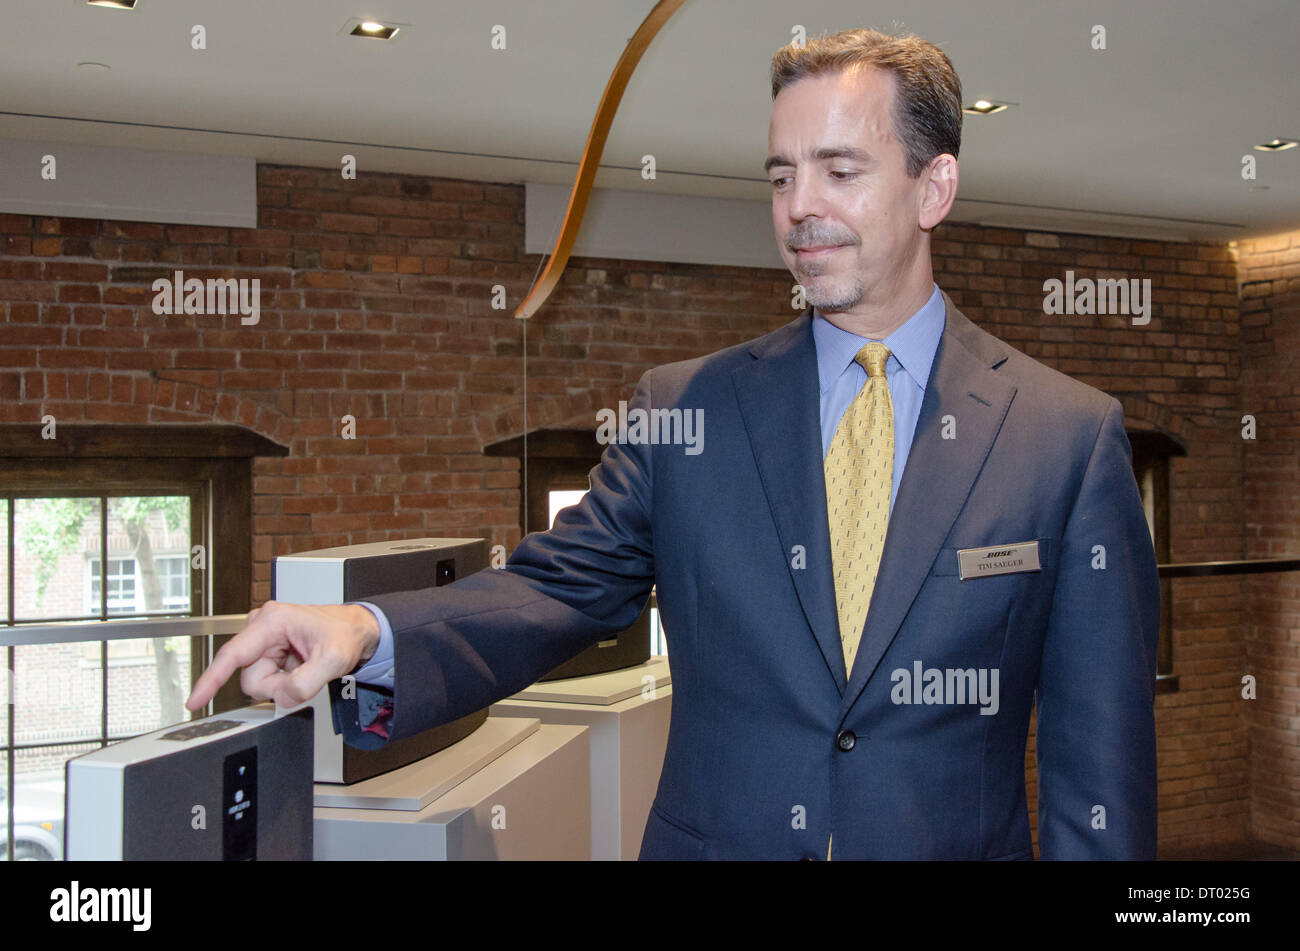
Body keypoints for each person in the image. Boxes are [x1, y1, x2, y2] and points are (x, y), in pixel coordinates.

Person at [187, 28, 1160, 860]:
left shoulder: (1065, 438)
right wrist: (369, 631)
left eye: (839, 170)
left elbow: (1097, 771)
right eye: (781, 175)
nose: (798, 208)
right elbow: (552, 588)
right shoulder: (685, 410)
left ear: (934, 185)